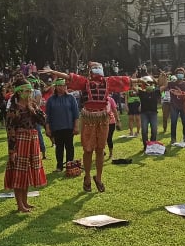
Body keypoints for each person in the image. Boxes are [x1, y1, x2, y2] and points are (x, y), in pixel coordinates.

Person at [44, 63, 131, 192]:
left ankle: (99, 178)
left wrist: (140, 80)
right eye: (94, 69)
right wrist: (54, 72)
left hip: (103, 119)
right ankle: (87, 177)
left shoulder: (108, 82)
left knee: (100, 149)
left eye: (98, 68)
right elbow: (69, 77)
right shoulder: (85, 82)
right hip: (89, 118)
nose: (96, 72)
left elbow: (124, 80)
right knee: (88, 150)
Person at [5, 77, 47, 212]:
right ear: (18, 92)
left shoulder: (32, 106)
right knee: (20, 172)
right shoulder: (13, 109)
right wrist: (12, 151)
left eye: (30, 91)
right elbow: (10, 131)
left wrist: (36, 107)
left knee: (27, 171)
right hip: (20, 141)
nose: (29, 93)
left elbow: (42, 120)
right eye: (26, 91)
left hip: (32, 139)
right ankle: (19, 204)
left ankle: (25, 201)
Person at [44, 78, 79, 172]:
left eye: (64, 85)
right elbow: (48, 116)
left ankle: (70, 165)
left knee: (69, 146)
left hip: (68, 126)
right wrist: (47, 128)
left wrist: (76, 126)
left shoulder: (71, 98)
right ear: (56, 87)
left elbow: (76, 114)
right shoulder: (51, 100)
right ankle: (59, 166)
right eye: (60, 85)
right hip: (56, 127)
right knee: (59, 147)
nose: (62, 87)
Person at [168, 67, 185, 144]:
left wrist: (182, 93)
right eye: (179, 73)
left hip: (184, 106)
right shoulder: (171, 84)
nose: (180, 74)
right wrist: (164, 76)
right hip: (174, 106)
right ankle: (173, 139)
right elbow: (162, 84)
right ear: (176, 75)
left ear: (184, 75)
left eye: (182, 73)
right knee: (173, 123)